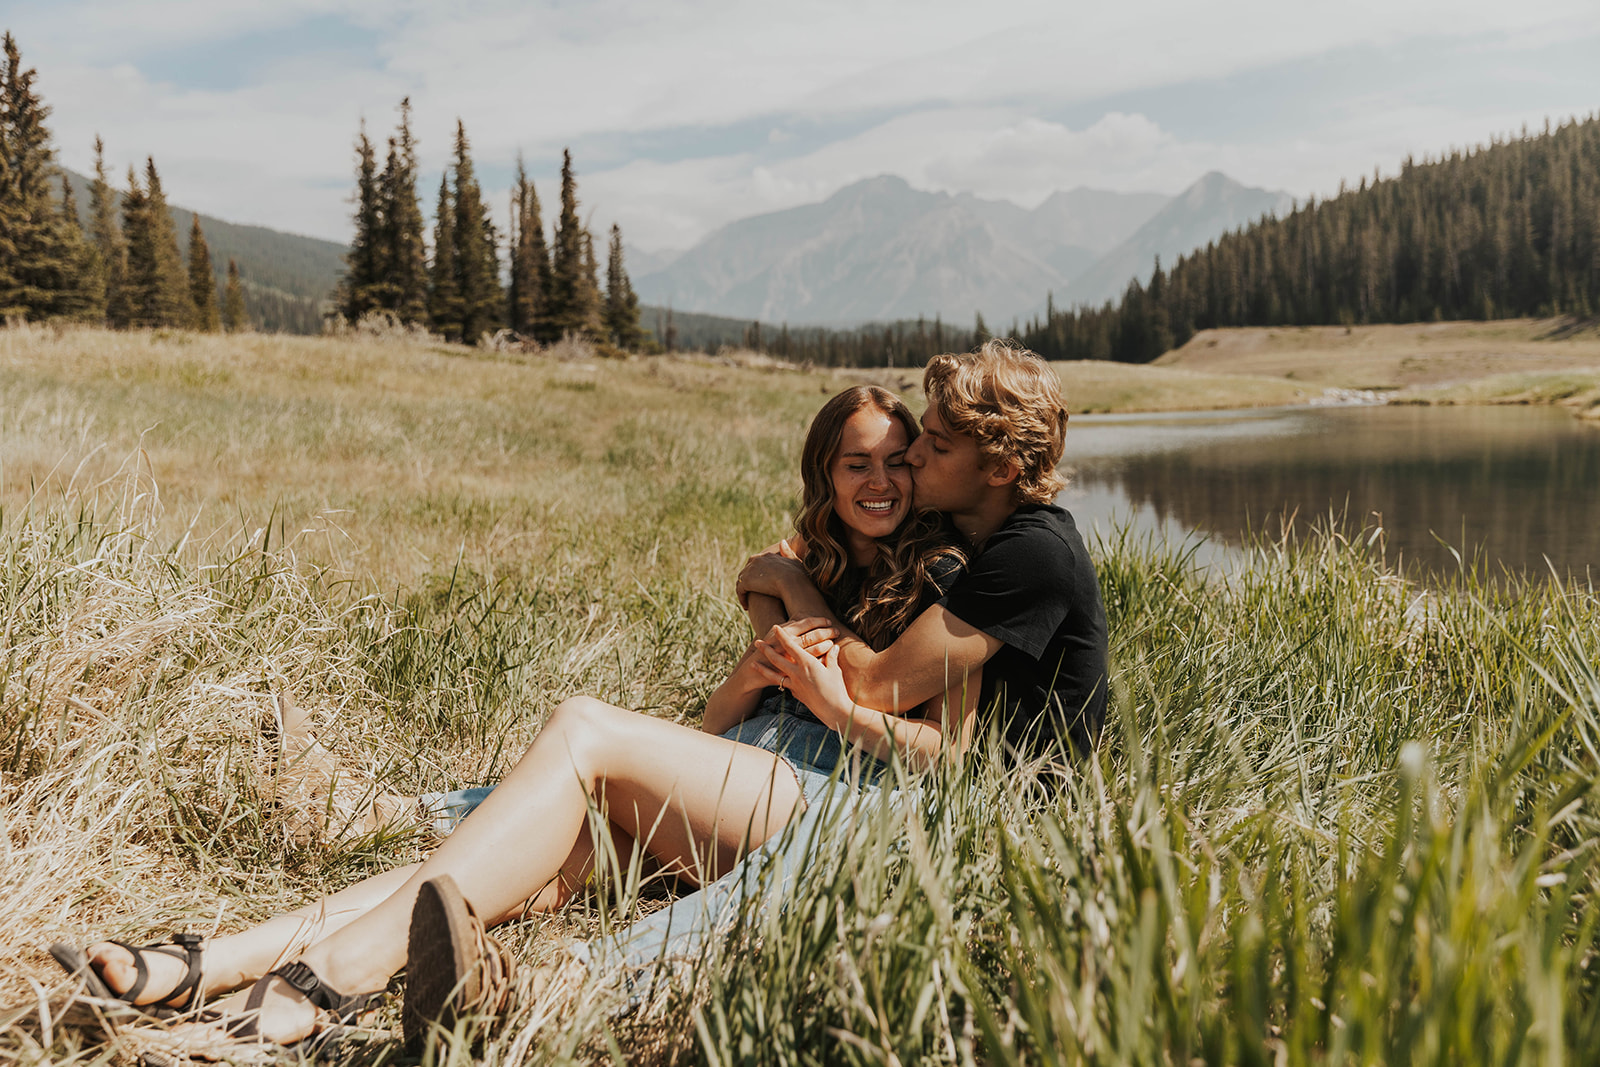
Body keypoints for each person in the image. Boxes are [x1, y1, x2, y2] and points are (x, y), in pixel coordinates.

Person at [49, 385, 978, 1052]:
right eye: (858, 462)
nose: (882, 480)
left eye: (900, 460)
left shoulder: (945, 578)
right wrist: (765, 628)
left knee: (582, 724)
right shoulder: (811, 563)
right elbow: (718, 728)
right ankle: (207, 965)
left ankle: (319, 983)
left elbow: (949, 753)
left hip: (832, 800)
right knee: (477, 868)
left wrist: (789, 609)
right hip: (740, 782)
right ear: (825, 470)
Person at [738, 339, 1109, 769]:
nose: (913, 454)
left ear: (1000, 470)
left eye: (937, 444)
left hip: (1010, 808)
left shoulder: (1036, 555)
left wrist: (793, 586)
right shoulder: (953, 520)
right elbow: (761, 567)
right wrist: (776, 620)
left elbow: (874, 684)